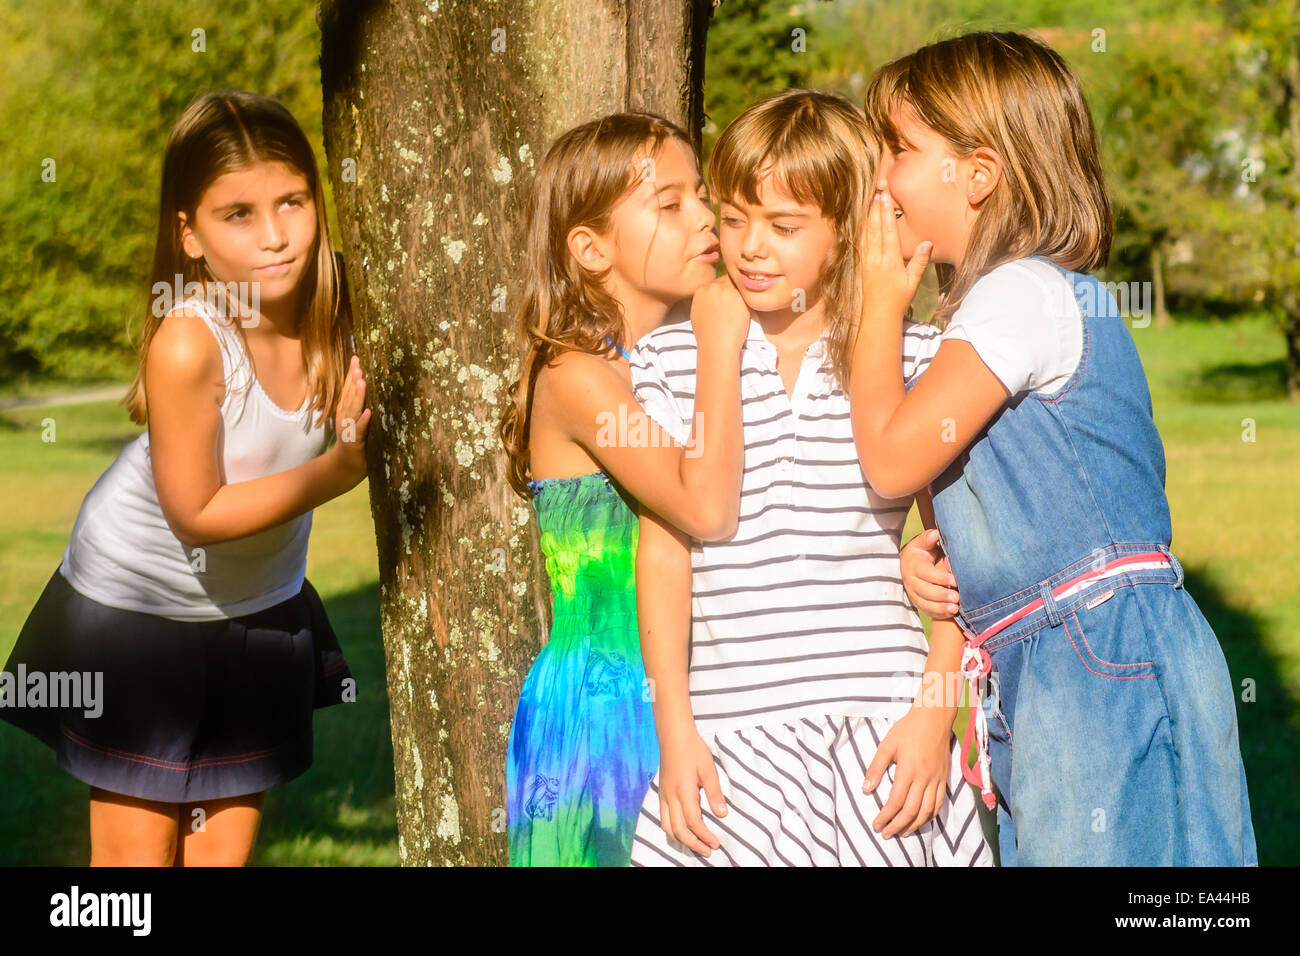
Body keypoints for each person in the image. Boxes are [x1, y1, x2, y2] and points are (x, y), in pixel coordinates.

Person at [852, 31, 1257, 865]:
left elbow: (892, 459)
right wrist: (940, 558)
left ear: (979, 173)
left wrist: (874, 304)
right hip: (1067, 654)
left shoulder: (1020, 294)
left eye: (896, 149)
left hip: (1094, 657)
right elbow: (943, 480)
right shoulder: (999, 310)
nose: (879, 176)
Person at [0, 90, 371, 866]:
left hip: (260, 611)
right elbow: (196, 513)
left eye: (293, 201)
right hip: (136, 615)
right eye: (238, 214)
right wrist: (339, 471)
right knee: (136, 871)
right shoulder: (190, 342)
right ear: (190, 235)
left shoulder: (345, 301)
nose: (274, 236)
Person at [627, 89, 993, 866]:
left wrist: (938, 717)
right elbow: (664, 554)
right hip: (729, 742)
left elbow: (956, 555)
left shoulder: (910, 359)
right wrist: (676, 730)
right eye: (732, 218)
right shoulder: (669, 361)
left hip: (881, 736)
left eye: (783, 226)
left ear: (853, 226)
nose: (750, 246)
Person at [498, 111, 751, 865]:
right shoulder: (577, 378)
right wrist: (717, 340)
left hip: (711, 697)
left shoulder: (695, 359)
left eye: (701, 195)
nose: (706, 217)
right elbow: (703, 504)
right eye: (669, 205)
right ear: (590, 247)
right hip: (604, 718)